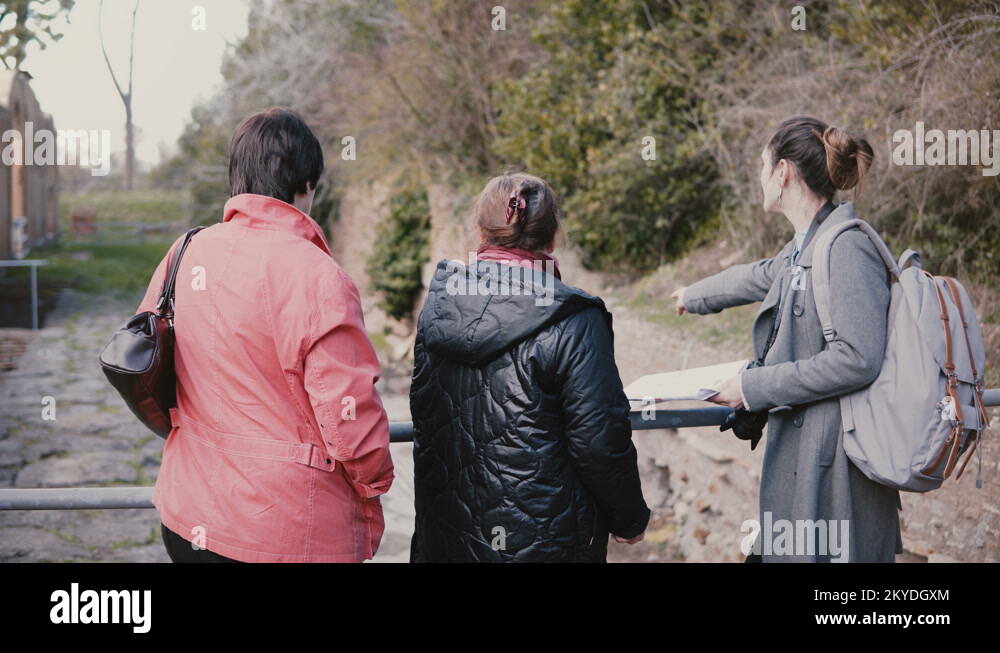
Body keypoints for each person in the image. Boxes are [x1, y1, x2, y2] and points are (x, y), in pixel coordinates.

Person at [136, 108, 394, 562]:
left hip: (187, 514)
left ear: (237, 177)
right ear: (307, 184)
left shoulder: (185, 251)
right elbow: (349, 420)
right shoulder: (319, 277)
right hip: (282, 533)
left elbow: (145, 361)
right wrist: (377, 480)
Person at [671, 116, 902, 563]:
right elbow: (758, 275)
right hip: (808, 458)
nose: (759, 177)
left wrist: (752, 389)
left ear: (783, 173)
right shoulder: (806, 245)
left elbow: (858, 358)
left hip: (837, 467)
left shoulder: (845, 247)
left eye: (763, 165)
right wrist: (693, 296)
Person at [409, 173, 650, 562]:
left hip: (448, 538)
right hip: (545, 542)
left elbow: (425, 414)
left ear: (479, 231)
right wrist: (630, 519)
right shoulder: (574, 319)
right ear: (553, 237)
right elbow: (600, 441)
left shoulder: (439, 306)